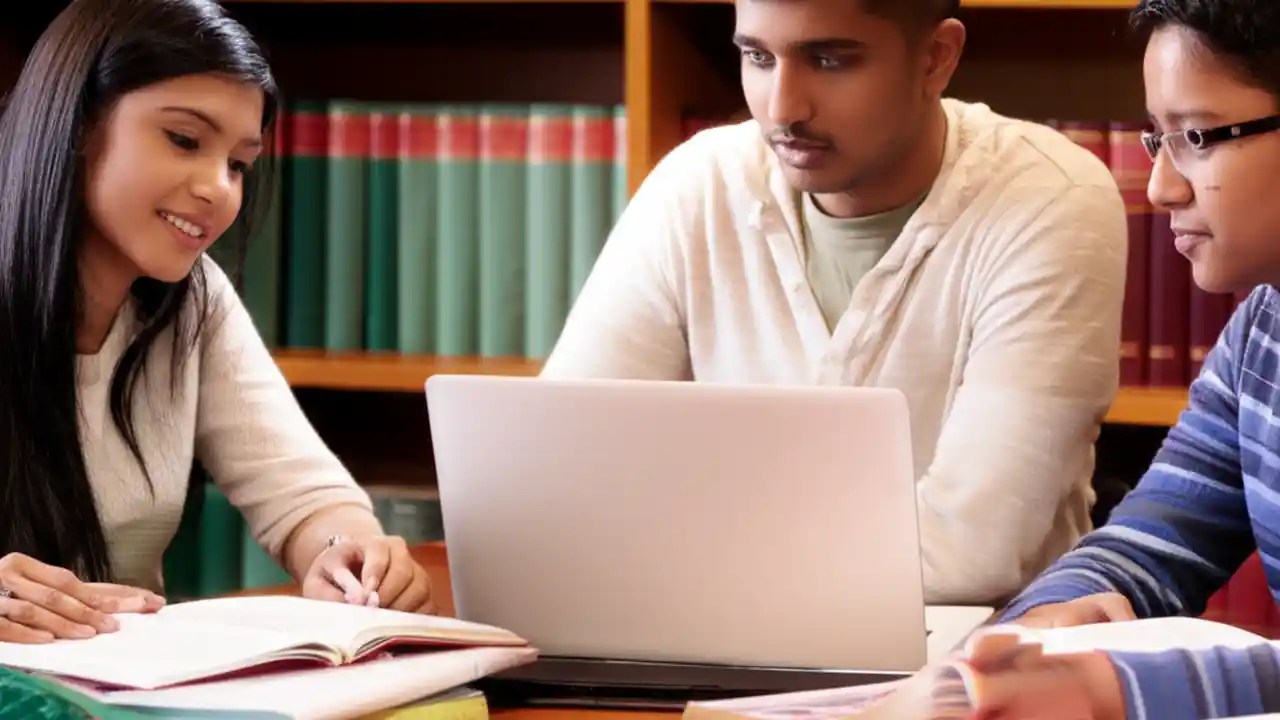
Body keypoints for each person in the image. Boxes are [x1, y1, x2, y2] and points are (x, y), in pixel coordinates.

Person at [540, 0, 1129, 605]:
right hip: (705, 634)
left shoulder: (1052, 197)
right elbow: (559, 472)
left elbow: (972, 554)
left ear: (936, 57)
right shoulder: (698, 182)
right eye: (758, 58)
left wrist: (658, 544)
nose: (783, 109)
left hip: (972, 663)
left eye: (827, 60)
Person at [870, 0, 1280, 716]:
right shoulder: (1262, 332)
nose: (1161, 188)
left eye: (1198, 136)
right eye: (1159, 138)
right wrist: (1048, 627)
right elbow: (1150, 540)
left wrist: (1120, 688)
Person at [0, 0, 434, 645]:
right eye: (183, 139)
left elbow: (304, 496)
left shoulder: (194, 300)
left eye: (238, 163)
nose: (218, 189)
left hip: (123, 694)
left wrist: (348, 553)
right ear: (77, 121)